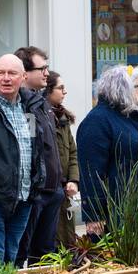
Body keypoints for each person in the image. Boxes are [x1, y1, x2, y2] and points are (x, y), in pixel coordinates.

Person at [76, 65, 138, 242]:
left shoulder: (131, 117)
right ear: (122, 88)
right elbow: (91, 173)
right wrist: (94, 215)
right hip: (122, 217)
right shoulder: (98, 121)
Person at [0, 54, 43, 263]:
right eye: (1, 73)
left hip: (24, 197)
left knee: (12, 257)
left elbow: (35, 148)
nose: (6, 78)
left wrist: (37, 180)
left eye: (12, 73)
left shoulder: (29, 108)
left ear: (23, 77)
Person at [13, 47, 63, 264]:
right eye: (41, 68)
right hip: (35, 194)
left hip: (53, 191)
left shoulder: (42, 103)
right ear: (25, 73)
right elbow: (26, 149)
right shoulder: (22, 107)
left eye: (47, 68)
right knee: (21, 252)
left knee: (45, 256)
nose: (46, 73)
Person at [43, 71, 80, 251]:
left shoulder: (63, 118)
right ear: (48, 90)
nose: (64, 92)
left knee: (68, 240)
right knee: (50, 243)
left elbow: (72, 152)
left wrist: (74, 180)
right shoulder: (40, 117)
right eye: (60, 88)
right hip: (50, 189)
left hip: (65, 190)